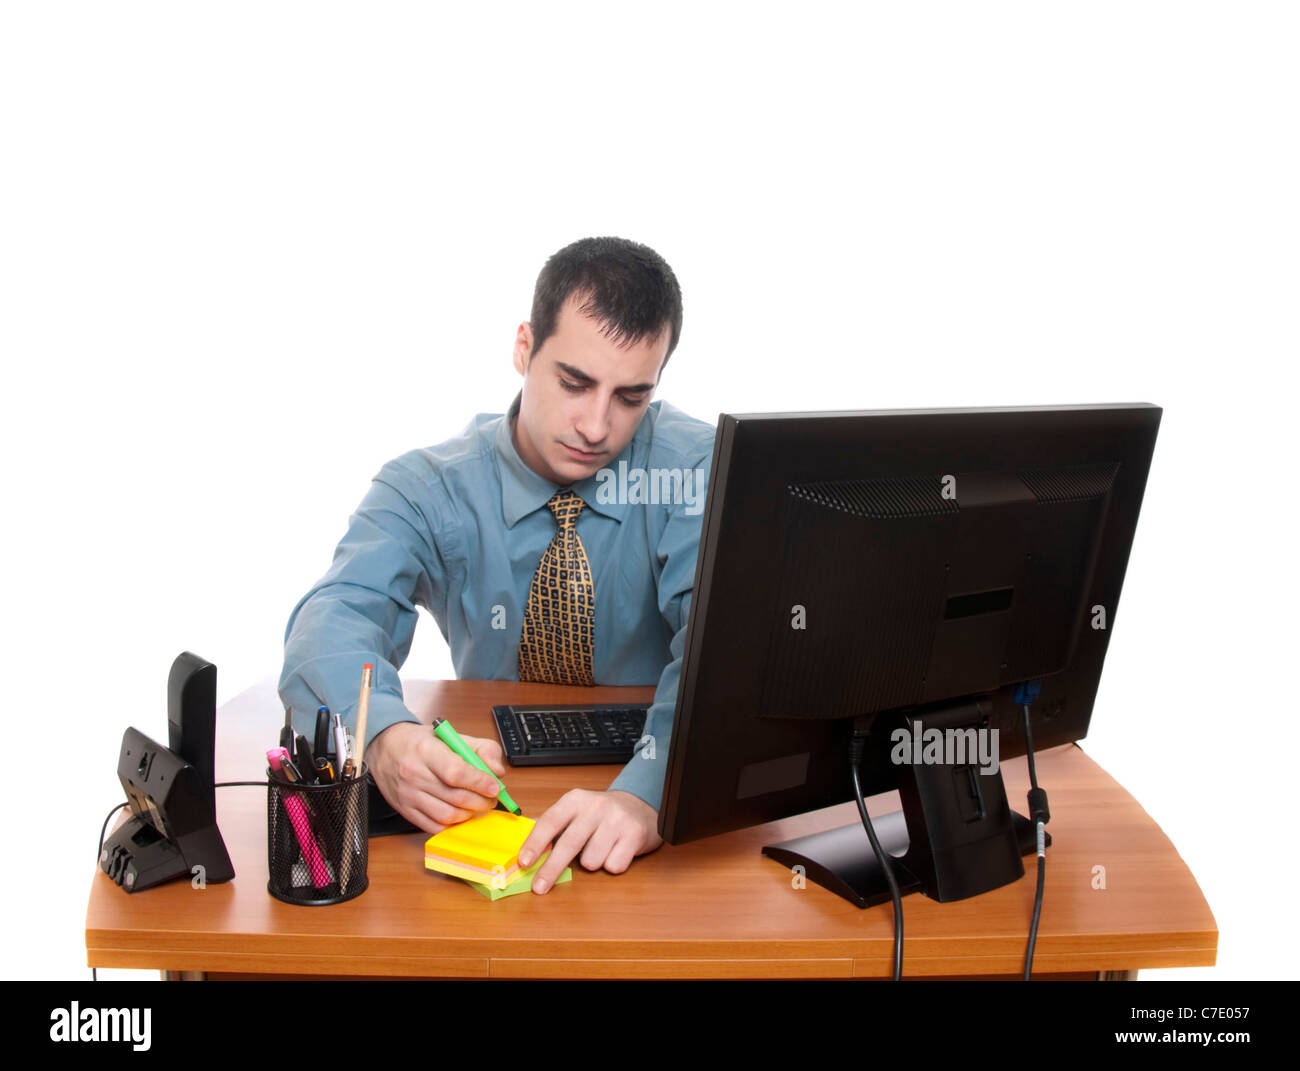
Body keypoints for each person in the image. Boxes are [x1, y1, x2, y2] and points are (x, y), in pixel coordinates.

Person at [278, 236, 714, 894]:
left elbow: (725, 643)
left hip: (649, 793)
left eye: (630, 397)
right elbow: (332, 618)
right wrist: (386, 740)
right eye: (574, 382)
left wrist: (652, 796)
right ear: (523, 347)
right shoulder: (426, 485)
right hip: (490, 798)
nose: (597, 425)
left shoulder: (696, 467)